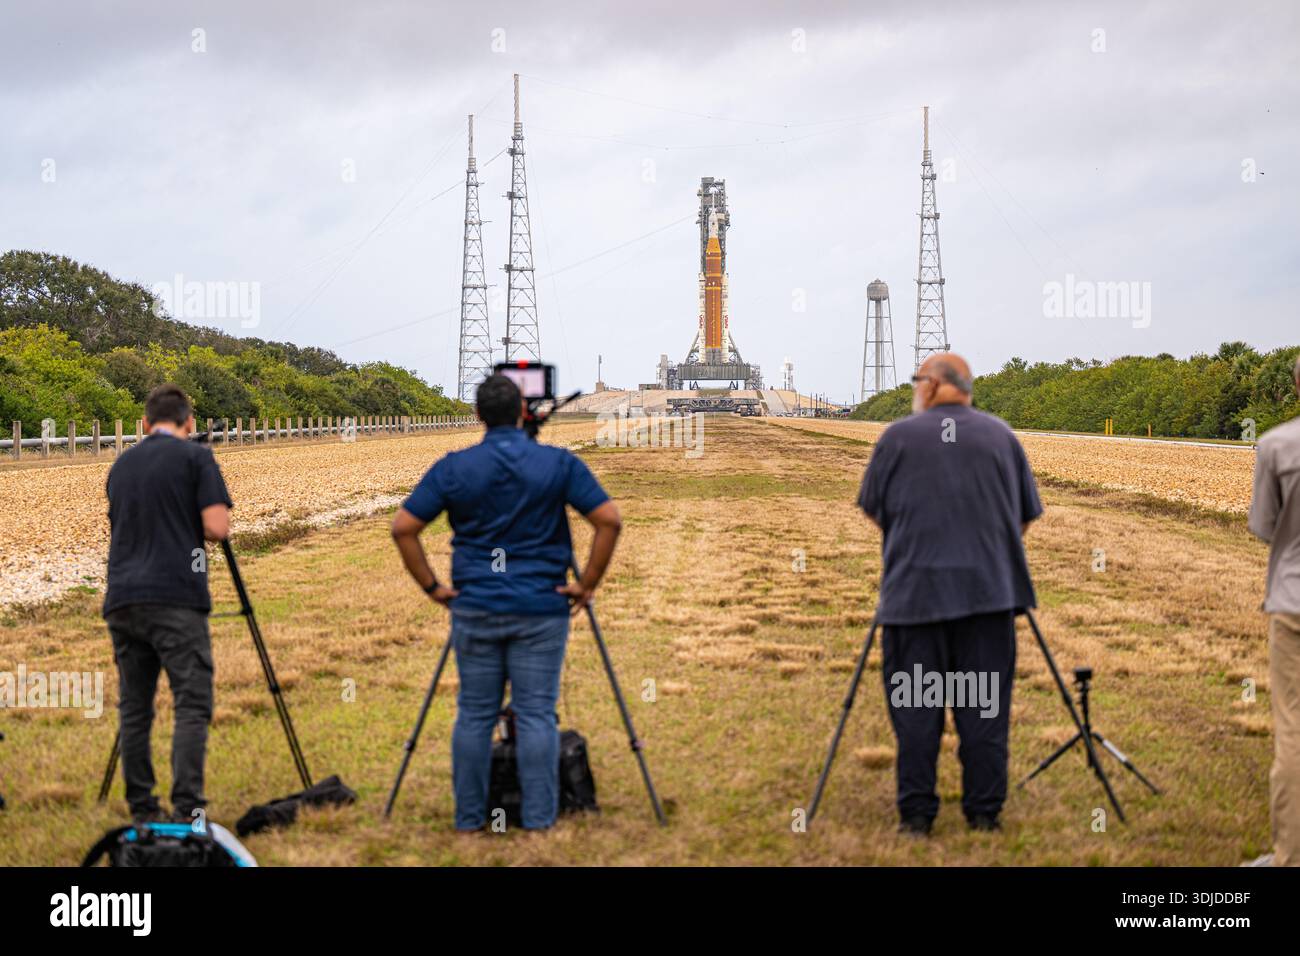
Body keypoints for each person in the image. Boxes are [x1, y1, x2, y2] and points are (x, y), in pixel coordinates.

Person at [391, 374, 621, 831]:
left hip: (475, 606)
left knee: (475, 713)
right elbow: (608, 520)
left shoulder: (454, 467)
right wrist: (587, 583)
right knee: (536, 712)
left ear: (477, 416)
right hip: (541, 606)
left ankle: (470, 820)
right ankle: (539, 820)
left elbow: (404, 528)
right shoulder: (557, 463)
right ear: (522, 411)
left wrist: (434, 589)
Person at [857, 352, 1042, 836]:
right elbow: (1022, 518)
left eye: (919, 380)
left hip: (914, 599)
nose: (916, 387)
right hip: (987, 600)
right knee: (983, 710)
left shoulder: (898, 438)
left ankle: (916, 815)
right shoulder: (1001, 437)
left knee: (916, 711)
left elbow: (876, 509)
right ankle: (985, 813)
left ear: (935, 384)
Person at [104, 384, 232, 824]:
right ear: (189, 423)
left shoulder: (121, 465)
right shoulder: (197, 457)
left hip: (122, 598)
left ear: (144, 424)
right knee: (191, 703)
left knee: (135, 707)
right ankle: (187, 808)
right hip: (176, 595)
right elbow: (217, 527)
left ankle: (141, 807)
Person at [1247, 353, 1300, 867]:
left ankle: (1290, 855)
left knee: (1292, 729)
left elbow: (1264, 526)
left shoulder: (1277, 444)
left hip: (1292, 600)